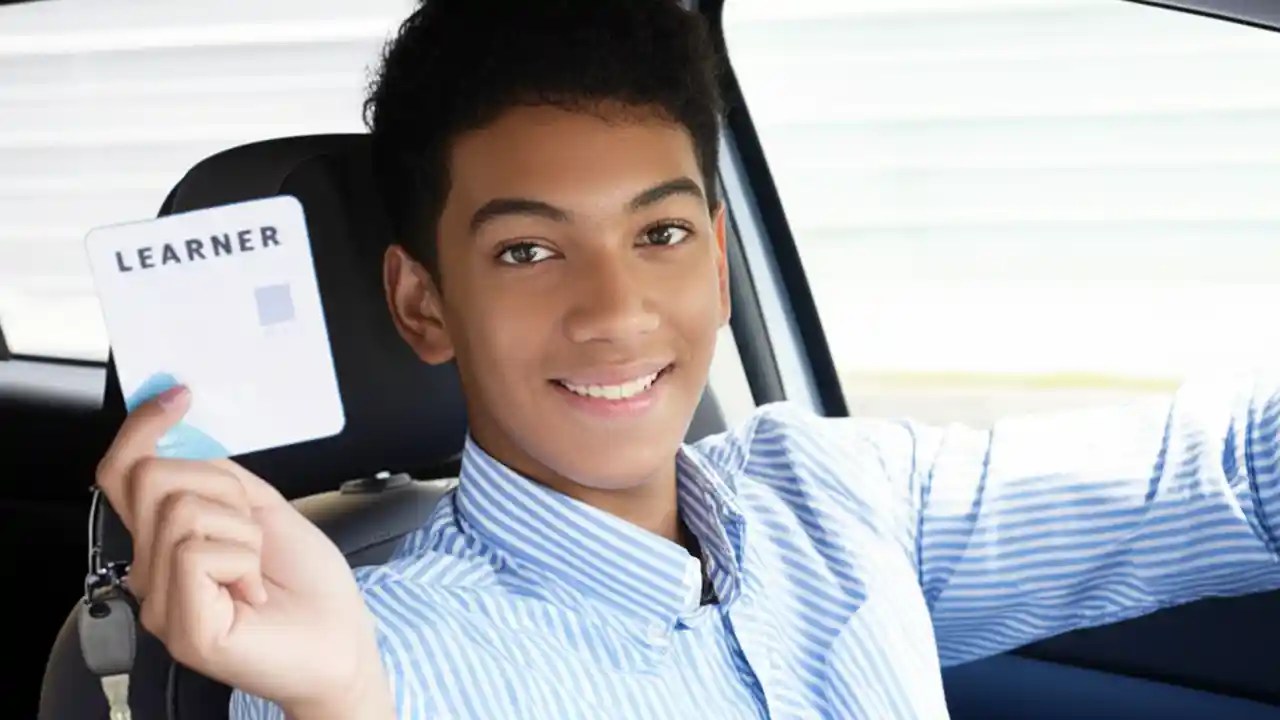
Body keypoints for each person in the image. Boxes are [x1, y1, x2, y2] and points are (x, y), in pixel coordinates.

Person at [91, 1, 1280, 718]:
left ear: (716, 261)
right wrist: (340, 699)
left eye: (656, 235)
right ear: (421, 302)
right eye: (526, 252)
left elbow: (1223, 477)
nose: (615, 312)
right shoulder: (358, 650)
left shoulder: (839, 493)